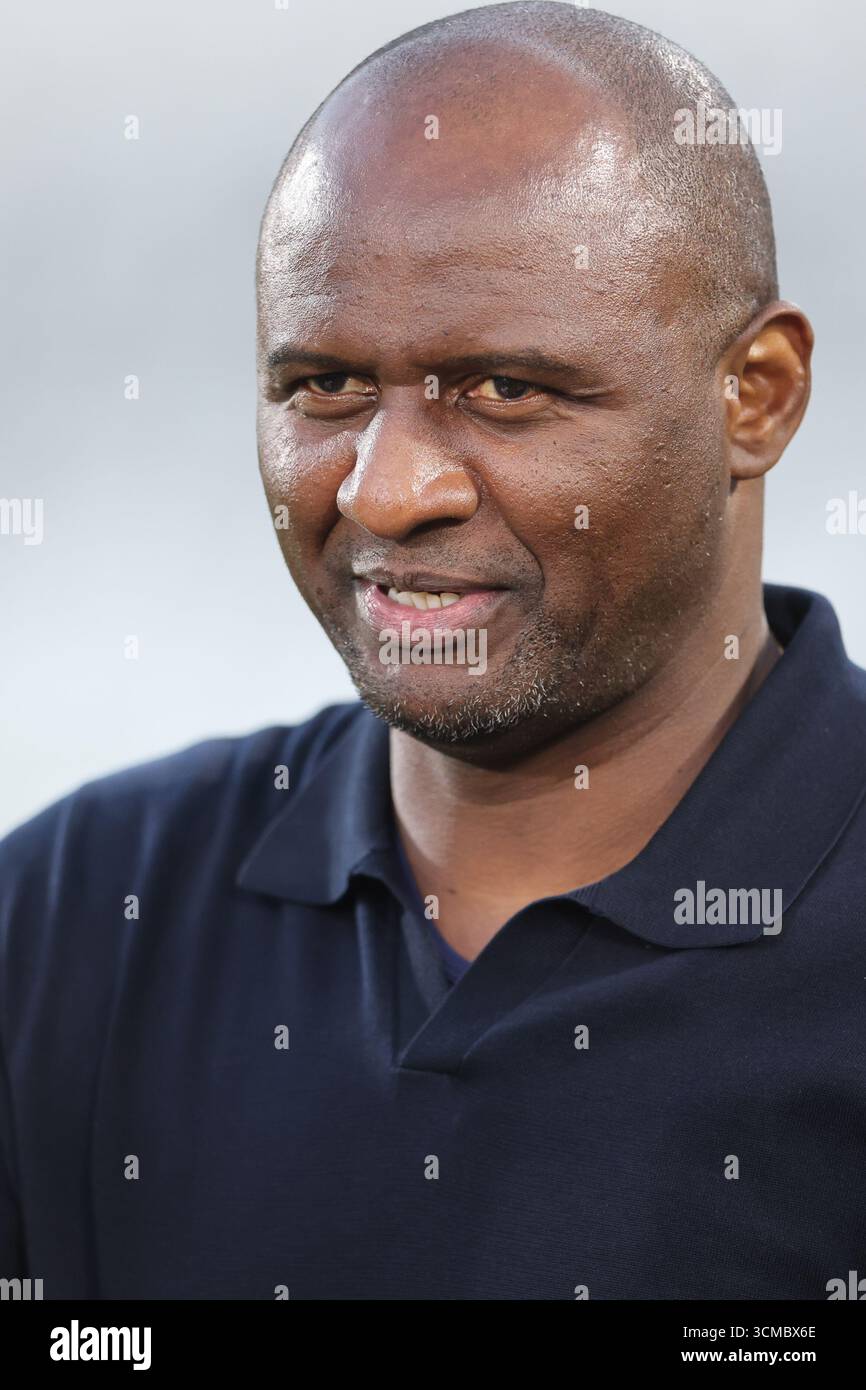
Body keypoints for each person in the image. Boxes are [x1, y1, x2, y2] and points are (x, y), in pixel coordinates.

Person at [2, 2, 863, 1301]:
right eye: (325, 387)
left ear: (754, 396)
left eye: (506, 389)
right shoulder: (75, 917)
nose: (385, 491)